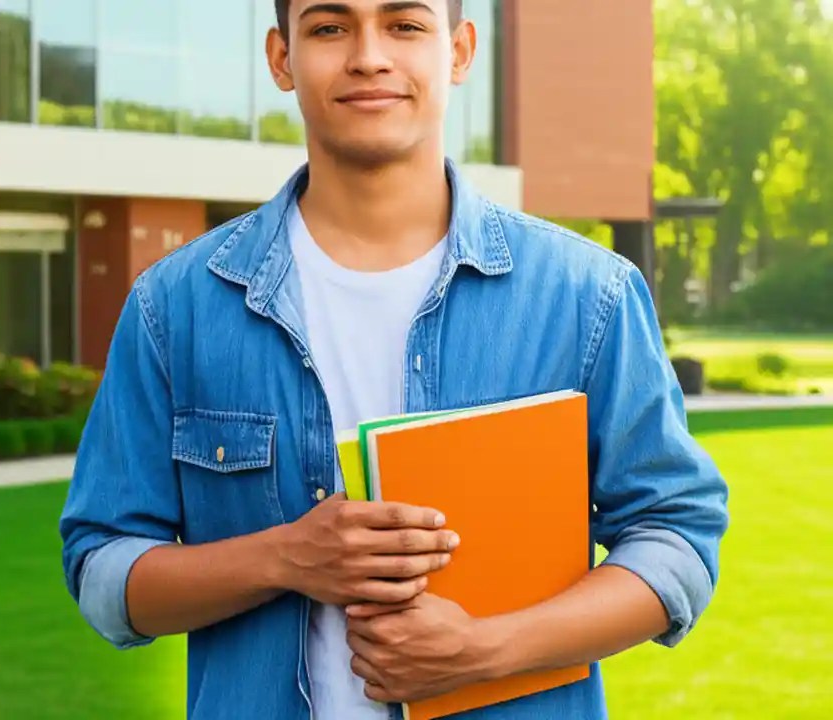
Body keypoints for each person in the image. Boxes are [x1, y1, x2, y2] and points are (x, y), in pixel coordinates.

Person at [59, 0, 729, 718]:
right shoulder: (176, 305)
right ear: (281, 58)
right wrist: (285, 557)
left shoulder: (587, 296)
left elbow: (676, 542)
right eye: (329, 27)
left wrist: (487, 651)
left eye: (404, 25)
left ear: (460, 51)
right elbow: (105, 574)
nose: (368, 55)